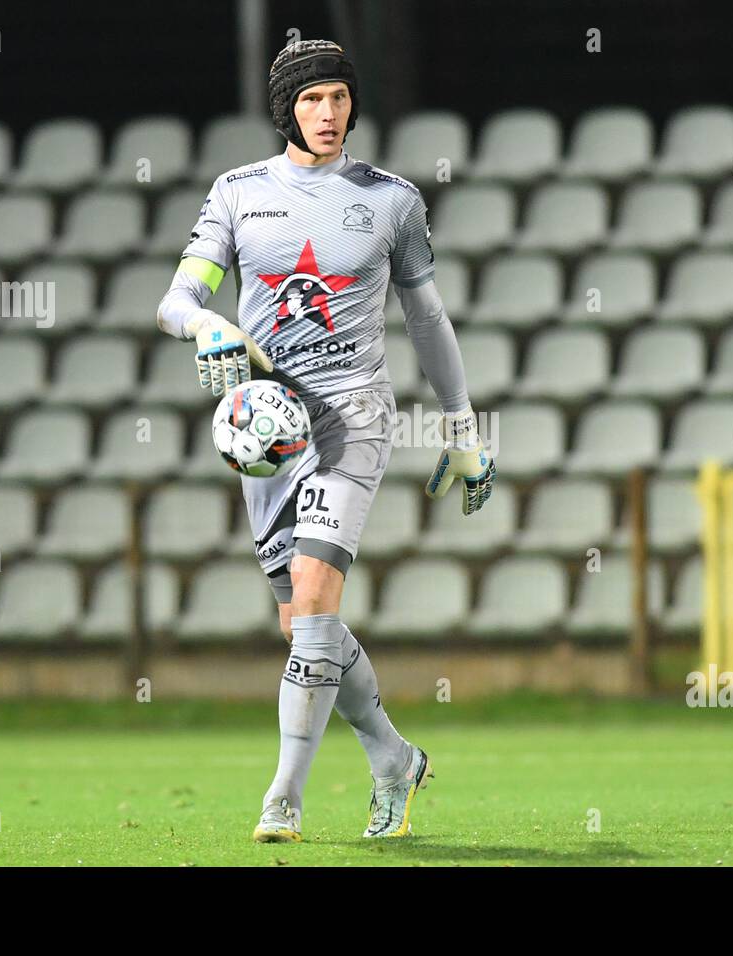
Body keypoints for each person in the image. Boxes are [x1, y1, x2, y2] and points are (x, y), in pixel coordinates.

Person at [156, 39, 495, 842]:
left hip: (354, 418)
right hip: (265, 429)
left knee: (314, 597)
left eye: (340, 96)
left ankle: (283, 796)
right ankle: (392, 758)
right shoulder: (237, 195)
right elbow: (174, 300)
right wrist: (207, 325)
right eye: (312, 99)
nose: (329, 112)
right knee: (302, 627)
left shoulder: (392, 201)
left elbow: (427, 319)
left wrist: (463, 427)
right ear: (287, 109)